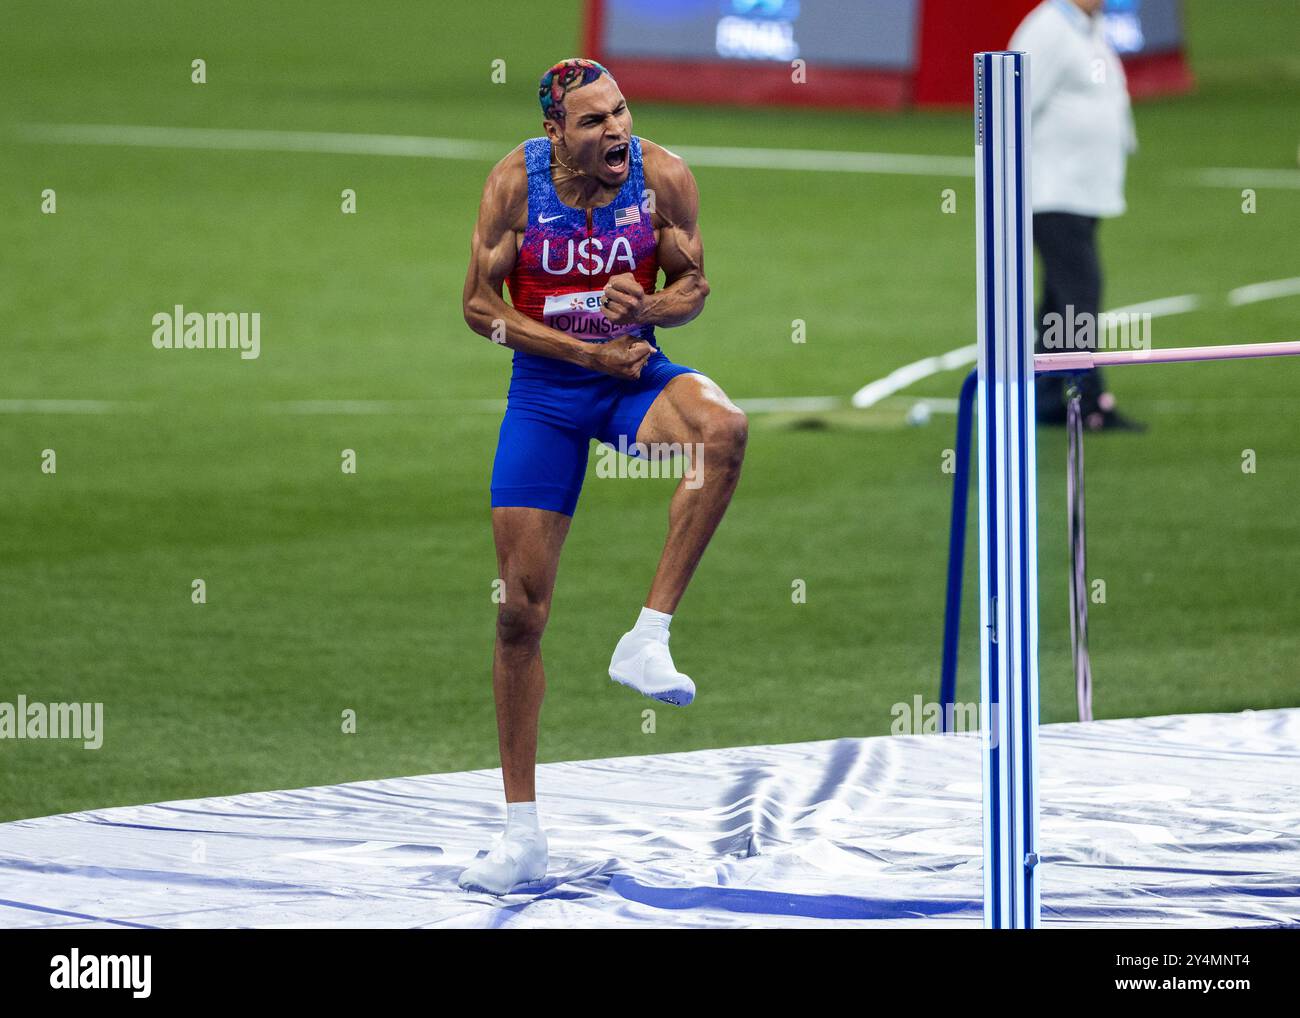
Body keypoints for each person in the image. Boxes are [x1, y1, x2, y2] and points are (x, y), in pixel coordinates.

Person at [456, 59, 748, 894]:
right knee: (520, 613)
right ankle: (522, 837)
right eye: (592, 122)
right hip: (548, 396)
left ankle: (647, 638)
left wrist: (646, 311)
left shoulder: (662, 177)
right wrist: (584, 349)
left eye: (620, 111)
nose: (616, 130)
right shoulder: (515, 184)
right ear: (556, 135)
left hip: (633, 377)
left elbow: (694, 283)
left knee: (723, 431)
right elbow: (480, 310)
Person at [1011, 0, 1144, 430]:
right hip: (1052, 190)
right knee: (1080, 293)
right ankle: (1083, 401)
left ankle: (1050, 394)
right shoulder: (1047, 29)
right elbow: (1010, 105)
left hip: (1083, 190)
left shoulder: (1090, 26)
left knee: (1059, 297)